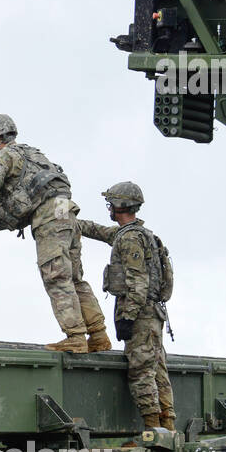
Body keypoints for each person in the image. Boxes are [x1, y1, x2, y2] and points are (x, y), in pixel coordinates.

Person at [0, 115, 109, 353]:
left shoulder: (5, 156)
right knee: (74, 278)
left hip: (49, 217)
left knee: (56, 276)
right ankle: (98, 336)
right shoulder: (33, 154)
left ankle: (75, 337)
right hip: (66, 212)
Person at [77, 181, 175, 431]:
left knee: (141, 372)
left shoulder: (130, 239)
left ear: (120, 205)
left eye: (111, 203)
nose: (108, 207)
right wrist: (71, 220)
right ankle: (168, 427)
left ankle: (154, 430)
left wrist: (127, 317)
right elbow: (98, 231)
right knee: (158, 370)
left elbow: (138, 282)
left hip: (141, 315)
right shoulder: (135, 235)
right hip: (153, 313)